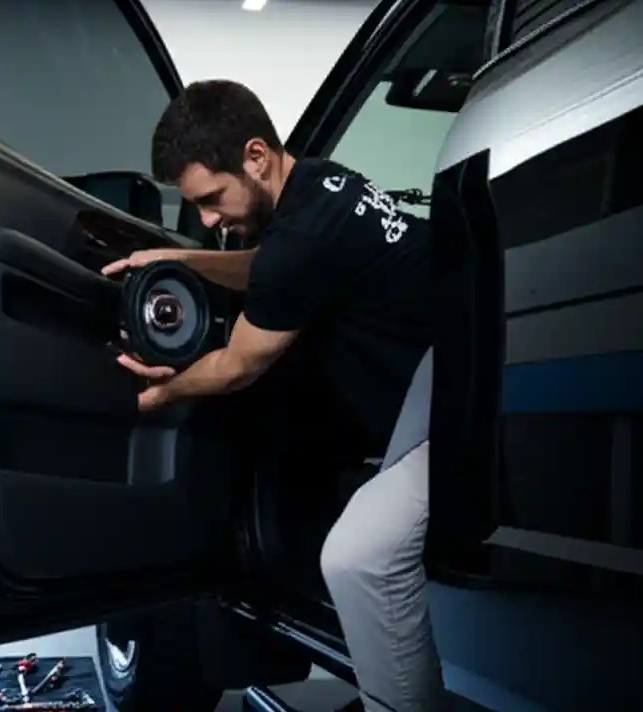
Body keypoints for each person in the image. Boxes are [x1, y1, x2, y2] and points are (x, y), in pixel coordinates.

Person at [101, 79, 447, 712]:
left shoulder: (304, 238)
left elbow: (239, 366)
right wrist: (177, 258)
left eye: (211, 199)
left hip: (450, 398)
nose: (207, 220)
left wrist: (157, 395)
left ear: (255, 156)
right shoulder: (318, 184)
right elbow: (269, 262)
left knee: (358, 558)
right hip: (442, 363)